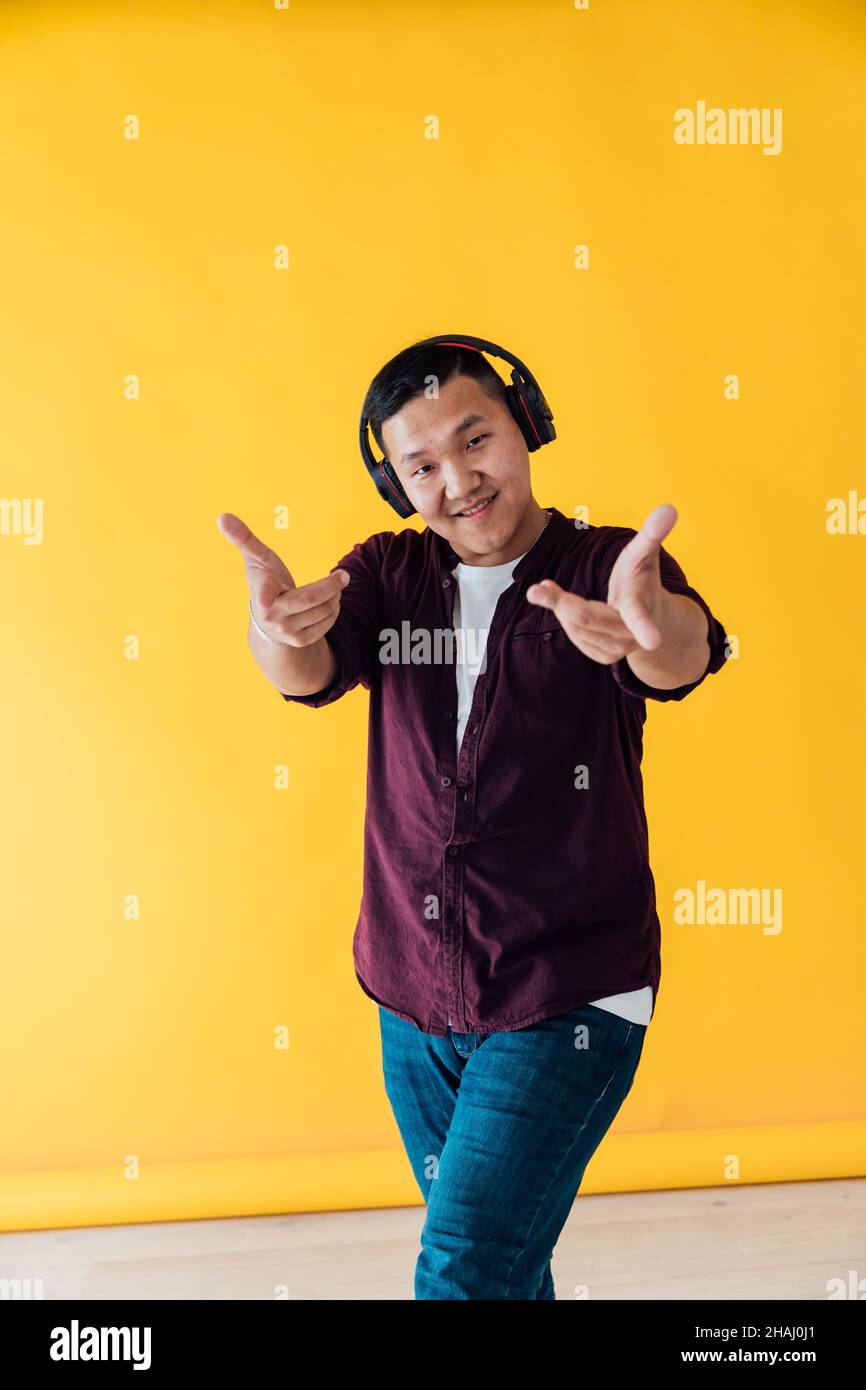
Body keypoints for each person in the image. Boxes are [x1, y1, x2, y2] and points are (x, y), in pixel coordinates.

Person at [218, 336, 730, 1299]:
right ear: (397, 485)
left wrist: (653, 633)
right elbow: (311, 669)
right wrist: (273, 630)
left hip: (565, 993)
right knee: (503, 1264)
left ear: (525, 426)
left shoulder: (610, 567)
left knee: (463, 1271)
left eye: (476, 438)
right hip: (412, 1000)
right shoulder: (387, 575)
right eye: (421, 465)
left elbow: (680, 656)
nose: (458, 479)